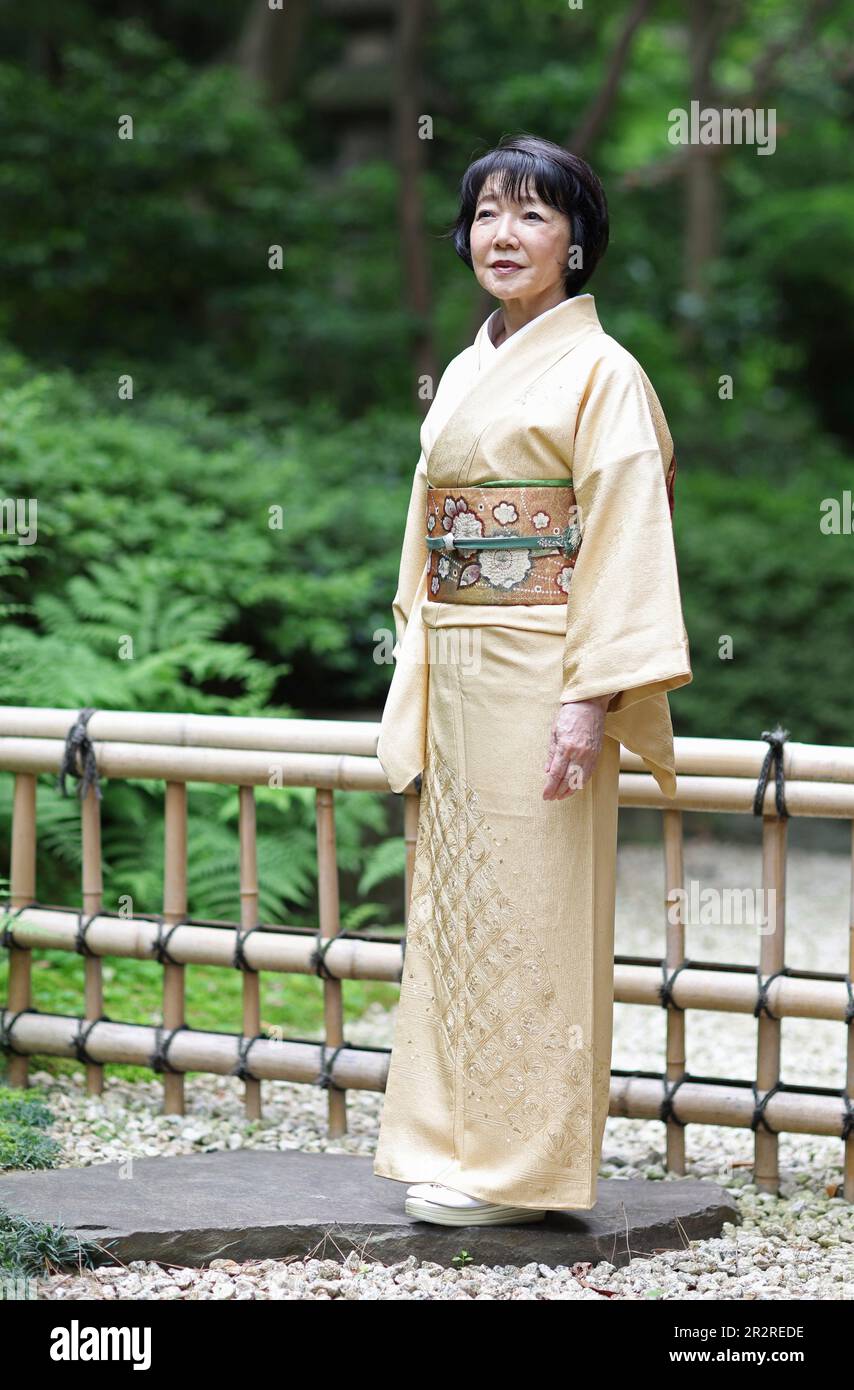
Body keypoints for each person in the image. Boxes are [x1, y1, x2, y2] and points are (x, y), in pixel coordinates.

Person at [373, 133, 691, 1227]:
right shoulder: (466, 367)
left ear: (577, 241)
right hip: (460, 666)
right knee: (455, 912)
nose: (502, 236)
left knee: (533, 913)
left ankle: (523, 1168)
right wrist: (418, 652)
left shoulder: (604, 371)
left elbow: (622, 532)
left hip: (545, 669)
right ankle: (451, 1138)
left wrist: (587, 697)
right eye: (485, 215)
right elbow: (429, 526)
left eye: (533, 215)